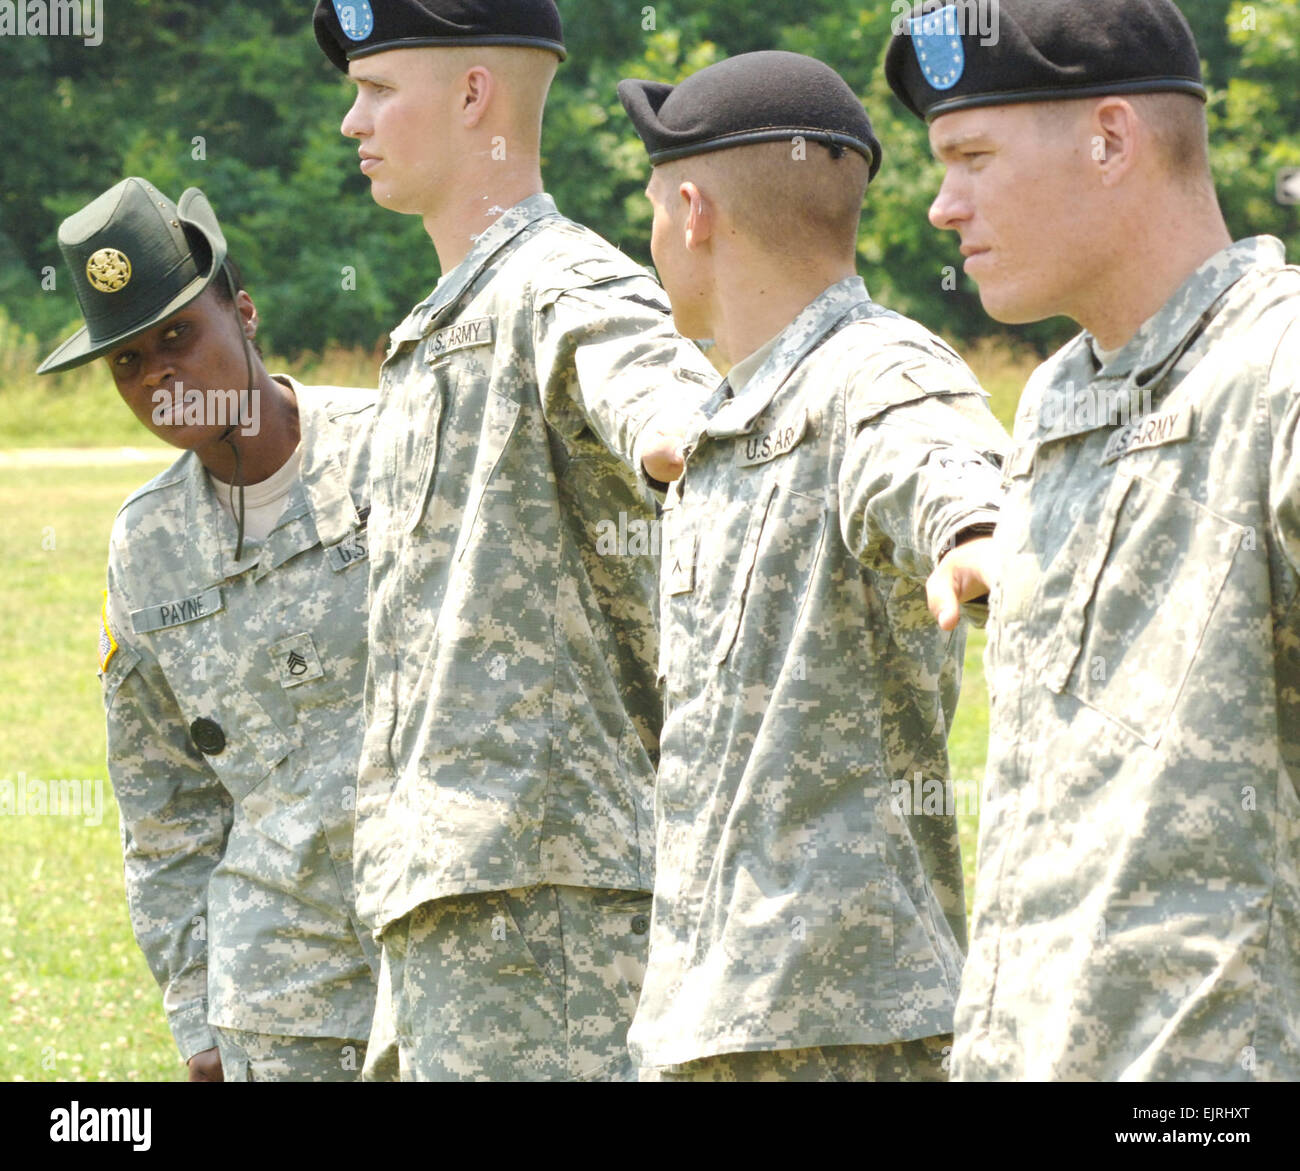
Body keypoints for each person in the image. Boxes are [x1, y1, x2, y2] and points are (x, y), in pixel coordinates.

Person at [887, 0, 1300, 1080]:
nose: (941, 206)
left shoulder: (1276, 366)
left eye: (972, 156)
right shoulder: (1065, 396)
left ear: (1109, 139)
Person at [311, 0, 719, 1081]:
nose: (352, 122)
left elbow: (676, 411)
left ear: (474, 96)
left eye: (376, 89)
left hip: (548, 913)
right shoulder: (447, 321)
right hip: (454, 908)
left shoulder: (561, 283)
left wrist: (684, 440)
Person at [615, 50, 1010, 1081]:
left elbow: (935, 458)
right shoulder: (732, 414)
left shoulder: (874, 372)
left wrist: (975, 533)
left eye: (654, 207)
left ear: (693, 210)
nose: (650, 237)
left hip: (839, 1026)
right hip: (717, 1013)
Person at [38, 177, 379, 1081]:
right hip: (282, 1004)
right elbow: (164, 807)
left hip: (460, 965)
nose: (159, 376)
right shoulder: (144, 546)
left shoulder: (397, 448)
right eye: (128, 361)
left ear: (245, 311)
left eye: (178, 336)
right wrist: (196, 1018)